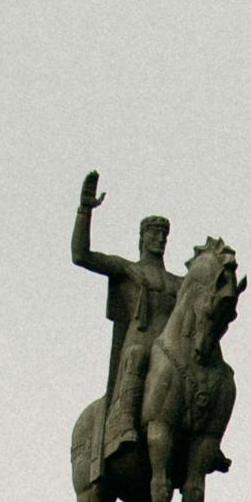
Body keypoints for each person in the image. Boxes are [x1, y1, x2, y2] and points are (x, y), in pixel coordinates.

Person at [73, 172, 176, 469]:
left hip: (170, 350)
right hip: (140, 342)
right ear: (142, 238)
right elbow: (81, 255)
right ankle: (122, 422)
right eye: (154, 233)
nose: (160, 239)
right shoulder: (128, 269)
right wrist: (85, 210)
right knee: (137, 354)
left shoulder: (177, 282)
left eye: (164, 235)